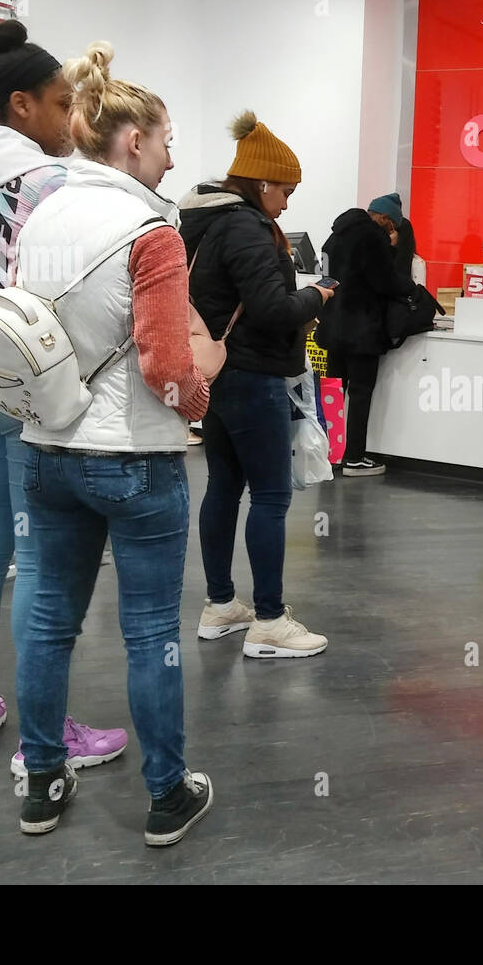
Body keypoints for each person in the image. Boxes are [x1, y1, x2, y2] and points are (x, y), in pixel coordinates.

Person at [13, 42, 213, 845]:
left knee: (48, 621)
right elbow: (168, 369)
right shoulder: (150, 228)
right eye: (167, 140)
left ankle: (41, 781)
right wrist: (203, 394)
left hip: (44, 447)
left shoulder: (42, 216)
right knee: (152, 631)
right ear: (133, 142)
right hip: (133, 457)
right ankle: (167, 794)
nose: (172, 156)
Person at [0, 19, 125, 774]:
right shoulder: (45, 181)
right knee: (43, 560)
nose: (70, 118)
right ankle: (50, 735)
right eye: (58, 102)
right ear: (20, 104)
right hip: (20, 386)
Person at [180, 112, 334, 657]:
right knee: (269, 495)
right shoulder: (245, 227)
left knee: (223, 487)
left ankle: (221, 606)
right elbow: (271, 308)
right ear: (262, 183)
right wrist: (319, 297)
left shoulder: (202, 222)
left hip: (218, 375)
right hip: (256, 377)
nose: (288, 203)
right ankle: (269, 620)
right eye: (286, 191)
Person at [317, 195, 417, 476]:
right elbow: (384, 281)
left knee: (334, 392)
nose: (391, 231)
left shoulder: (337, 233)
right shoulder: (372, 238)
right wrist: (410, 288)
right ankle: (355, 457)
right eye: (391, 226)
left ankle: (330, 453)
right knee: (361, 393)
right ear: (385, 218)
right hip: (361, 328)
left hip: (333, 324)